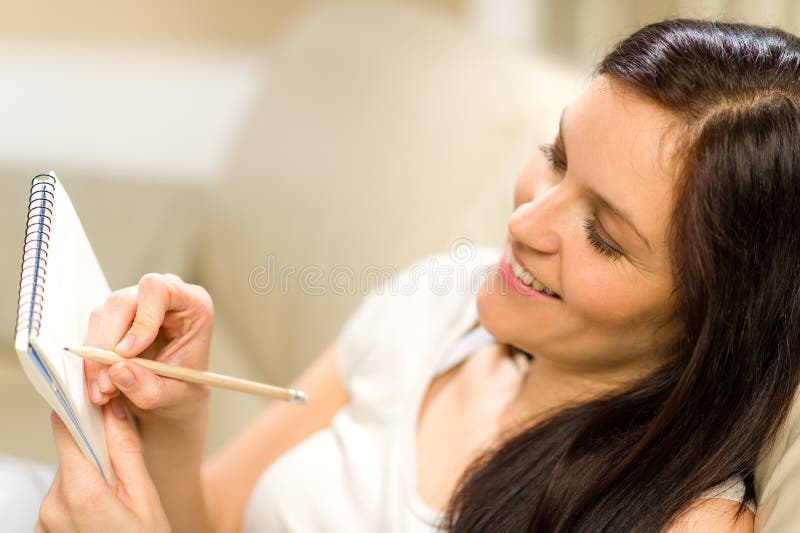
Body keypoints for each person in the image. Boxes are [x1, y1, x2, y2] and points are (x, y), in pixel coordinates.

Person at [33, 18, 800, 532]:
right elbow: (214, 516)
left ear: (711, 311)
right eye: (557, 157)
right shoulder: (439, 299)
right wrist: (176, 419)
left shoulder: (686, 520)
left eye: (602, 234)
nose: (525, 222)